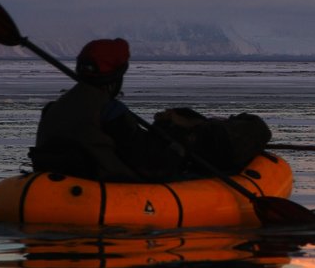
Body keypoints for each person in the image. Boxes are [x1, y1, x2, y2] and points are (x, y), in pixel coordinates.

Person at [30, 37, 271, 182]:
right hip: (105, 183)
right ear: (117, 75)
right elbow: (145, 163)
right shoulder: (110, 113)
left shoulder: (53, 109)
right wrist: (177, 145)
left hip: (66, 178)